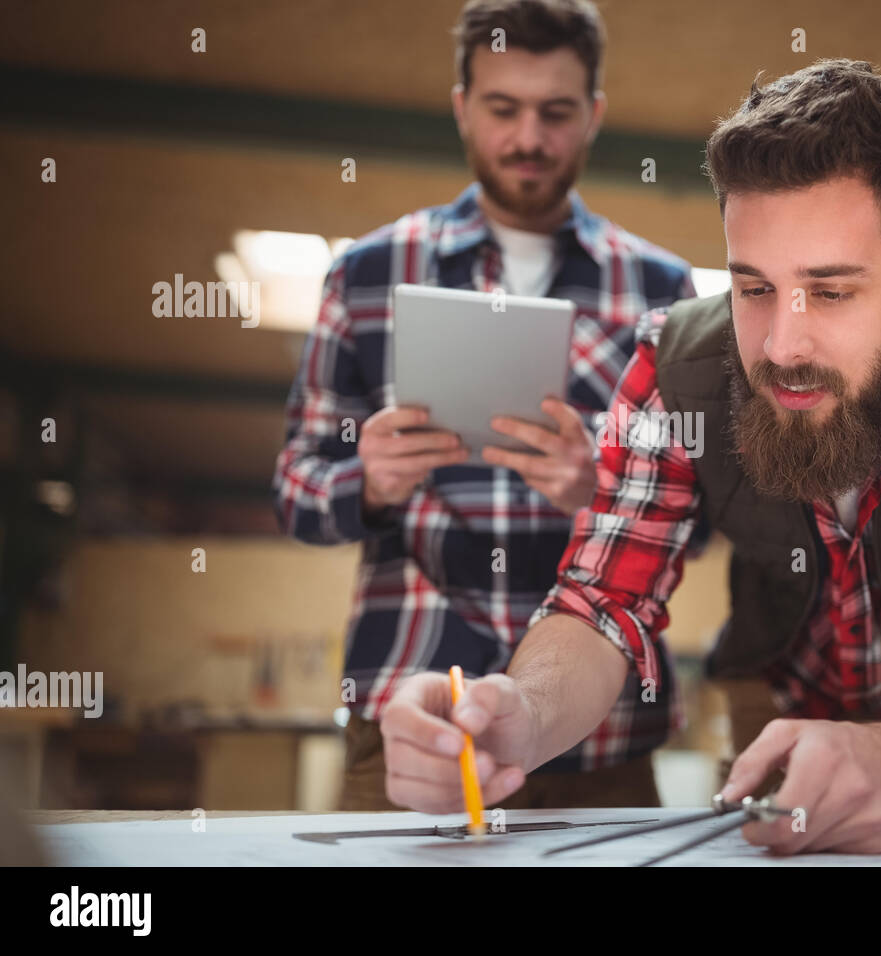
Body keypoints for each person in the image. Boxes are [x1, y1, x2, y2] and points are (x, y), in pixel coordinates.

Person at [379, 58, 881, 855]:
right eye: (753, 288)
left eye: (834, 291)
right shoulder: (671, 371)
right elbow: (601, 603)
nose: (782, 347)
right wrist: (521, 716)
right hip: (777, 727)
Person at [274, 0, 694, 811]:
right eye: (503, 108)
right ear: (462, 105)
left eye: (556, 113)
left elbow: (710, 516)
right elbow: (296, 491)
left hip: (600, 738)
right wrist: (371, 481)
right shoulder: (366, 272)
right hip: (412, 717)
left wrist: (602, 486)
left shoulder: (664, 291)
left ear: (595, 117)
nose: (528, 138)